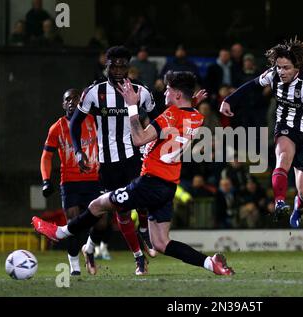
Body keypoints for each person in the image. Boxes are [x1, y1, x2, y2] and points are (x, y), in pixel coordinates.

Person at [32, 71, 234, 276]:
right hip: (168, 186)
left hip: (150, 182)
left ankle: (61, 232)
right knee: (162, 243)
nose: (164, 92)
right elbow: (178, 116)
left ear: (178, 95)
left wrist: (131, 105)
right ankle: (211, 263)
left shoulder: (171, 115)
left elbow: (138, 139)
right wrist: (192, 103)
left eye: (168, 90)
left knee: (98, 204)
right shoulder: (196, 116)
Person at [220, 38, 303, 228]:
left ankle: (299, 206)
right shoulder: (273, 75)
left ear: (297, 66)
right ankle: (280, 202)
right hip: (284, 127)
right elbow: (252, 84)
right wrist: (229, 100)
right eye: (279, 67)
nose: (282, 71)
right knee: (283, 157)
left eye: (286, 68)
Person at [69, 46, 158, 274]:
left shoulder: (142, 92)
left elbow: (155, 120)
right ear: (106, 65)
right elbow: (75, 123)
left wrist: (152, 144)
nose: (118, 70)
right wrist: (78, 151)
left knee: (143, 198)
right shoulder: (94, 93)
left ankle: (147, 235)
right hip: (107, 163)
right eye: (114, 65)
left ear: (129, 67)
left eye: (123, 65)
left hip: (133, 156)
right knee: (118, 214)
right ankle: (137, 258)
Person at [40, 89, 104, 275]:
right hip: (70, 183)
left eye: (76, 99)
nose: (72, 102)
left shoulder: (93, 121)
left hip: (94, 180)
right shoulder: (57, 128)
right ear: (63, 104)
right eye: (67, 99)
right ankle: (74, 267)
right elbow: (46, 156)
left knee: (102, 223)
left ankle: (89, 249)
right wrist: (46, 180)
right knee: (73, 225)